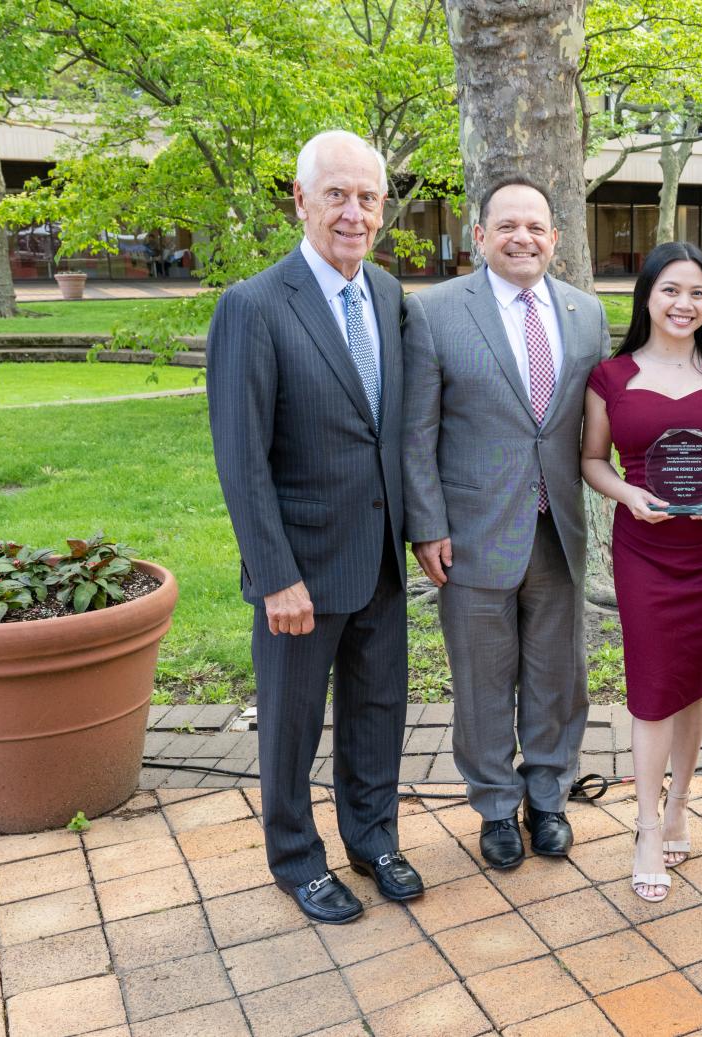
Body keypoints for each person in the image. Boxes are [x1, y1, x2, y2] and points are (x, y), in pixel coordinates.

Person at [208, 130, 421, 924]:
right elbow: (241, 458)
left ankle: (374, 838)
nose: (354, 212)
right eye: (336, 194)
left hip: (380, 559)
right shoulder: (255, 306)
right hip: (299, 569)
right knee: (292, 726)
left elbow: (391, 432)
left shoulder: (390, 296)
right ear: (300, 200)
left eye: (368, 196)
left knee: (378, 711)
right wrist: (274, 574)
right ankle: (296, 858)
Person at [403, 176, 611, 870]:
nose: (522, 237)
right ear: (480, 234)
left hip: (557, 527)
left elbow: (602, 419)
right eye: (507, 225)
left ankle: (546, 796)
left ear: (555, 238)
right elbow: (416, 432)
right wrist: (427, 524)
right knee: (481, 677)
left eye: (535, 226)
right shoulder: (433, 312)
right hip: (470, 531)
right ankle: (495, 804)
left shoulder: (585, 314)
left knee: (558, 673)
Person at [581, 242, 702, 902]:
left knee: (695, 681)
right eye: (671, 291)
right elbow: (593, 460)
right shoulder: (612, 376)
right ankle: (647, 826)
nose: (684, 304)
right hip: (646, 551)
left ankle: (681, 801)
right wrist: (629, 495)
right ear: (647, 297)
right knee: (654, 685)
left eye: (698, 294)